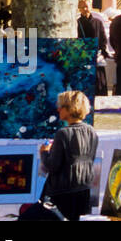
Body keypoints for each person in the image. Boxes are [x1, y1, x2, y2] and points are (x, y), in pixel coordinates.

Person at [37, 90, 99, 220]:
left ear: (70, 109)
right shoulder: (91, 131)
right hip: (84, 188)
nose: (58, 109)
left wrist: (44, 152)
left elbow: (52, 166)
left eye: (61, 107)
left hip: (63, 191)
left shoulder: (63, 133)